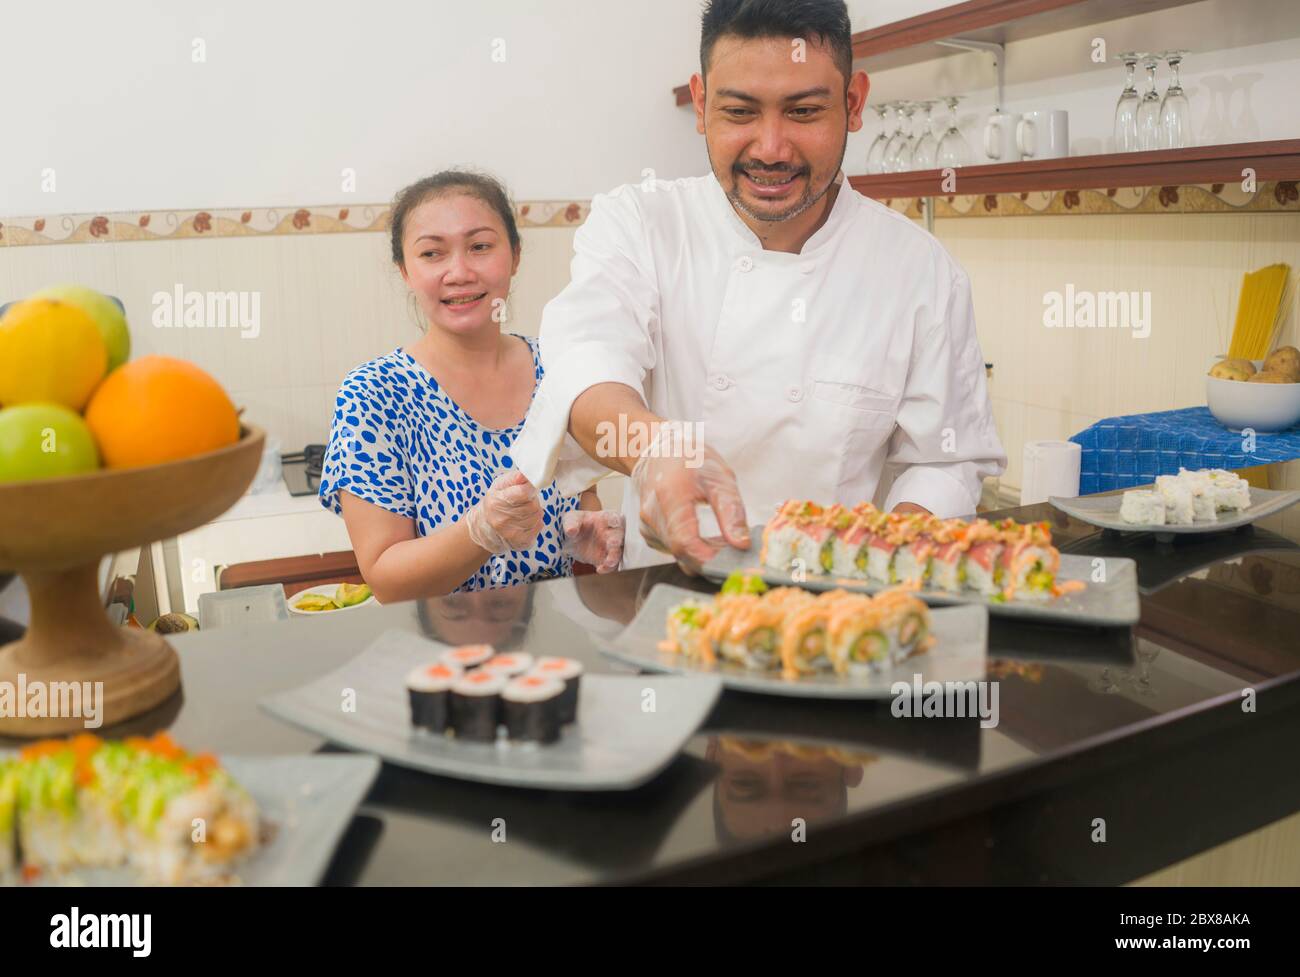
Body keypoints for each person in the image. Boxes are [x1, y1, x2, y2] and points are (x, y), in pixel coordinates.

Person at [509, 0, 1006, 573]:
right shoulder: (641, 223)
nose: (770, 148)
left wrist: (895, 562)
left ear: (853, 103)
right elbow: (588, 370)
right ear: (700, 105)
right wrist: (657, 451)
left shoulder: (920, 269)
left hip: (839, 607)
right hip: (667, 598)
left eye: (803, 112)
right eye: (740, 112)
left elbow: (944, 460)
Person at [319, 171, 624, 600]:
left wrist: (590, 532)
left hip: (554, 640)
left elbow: (583, 493)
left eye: (480, 247)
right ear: (404, 270)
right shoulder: (373, 394)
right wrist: (480, 533)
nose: (459, 272)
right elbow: (386, 580)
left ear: (514, 256)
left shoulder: (557, 367)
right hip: (437, 652)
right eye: (432, 253)